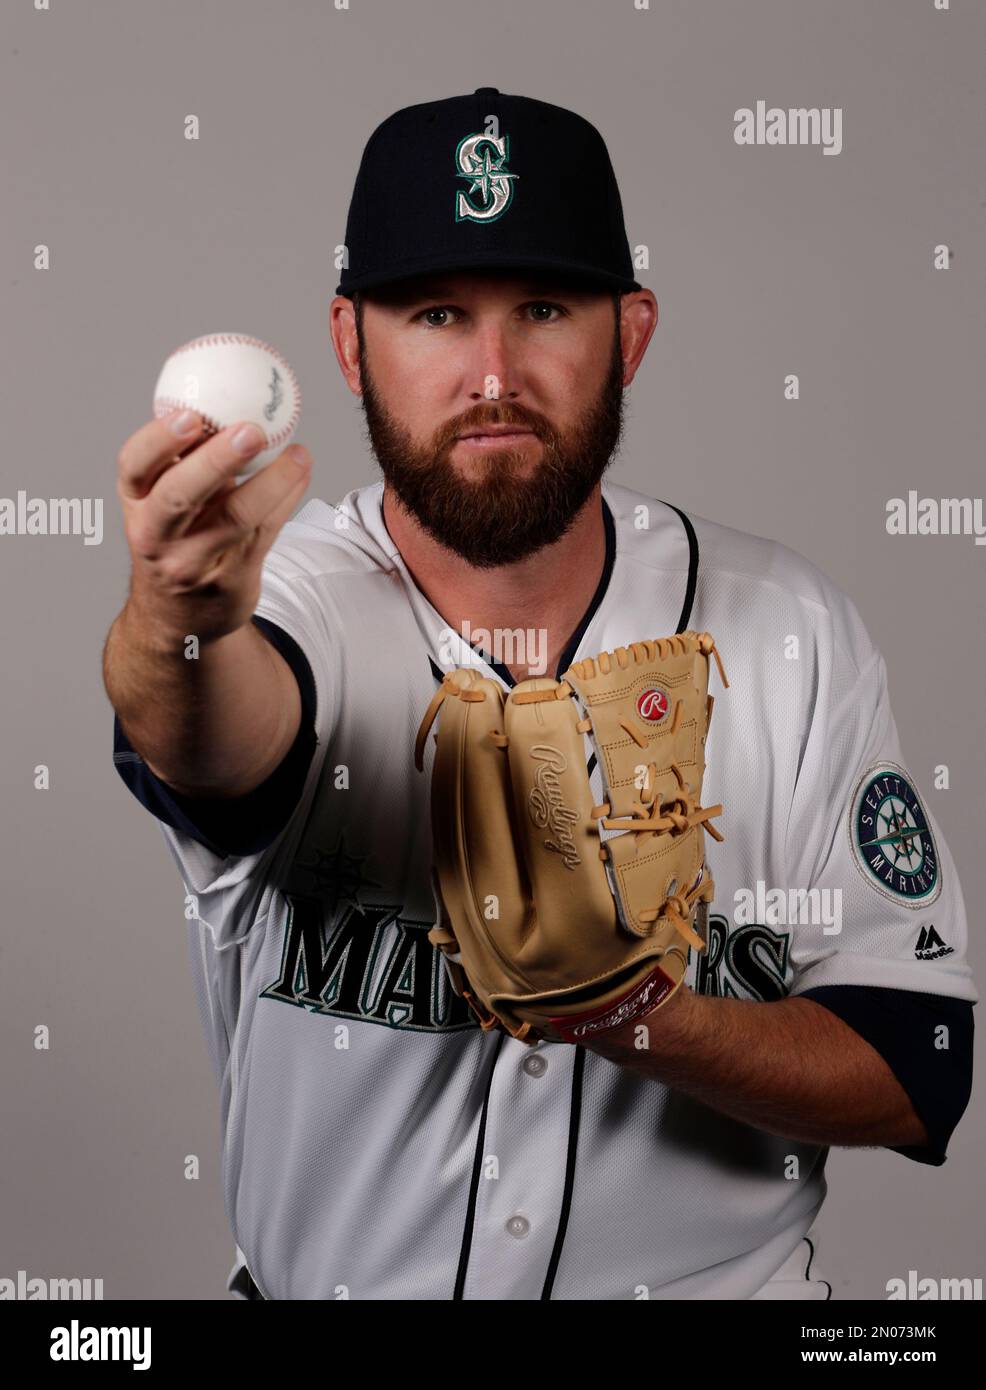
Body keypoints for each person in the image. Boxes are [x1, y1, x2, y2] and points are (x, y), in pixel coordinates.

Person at [103, 89, 975, 1301]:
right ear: (351, 342)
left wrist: (635, 1017)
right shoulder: (286, 600)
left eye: (546, 310)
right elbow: (209, 746)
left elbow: (919, 1062)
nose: (493, 373)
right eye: (438, 313)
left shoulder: (787, 630)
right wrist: (181, 620)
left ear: (631, 332)